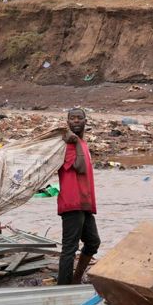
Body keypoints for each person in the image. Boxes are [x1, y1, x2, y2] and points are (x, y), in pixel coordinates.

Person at [57, 108, 99, 285]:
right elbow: (80, 167)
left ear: (85, 121)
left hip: (84, 202)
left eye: (79, 118)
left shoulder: (81, 142)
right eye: (72, 119)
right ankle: (63, 288)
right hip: (72, 201)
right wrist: (74, 142)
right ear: (67, 122)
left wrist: (78, 142)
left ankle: (76, 279)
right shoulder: (66, 144)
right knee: (69, 248)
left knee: (93, 242)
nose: (75, 121)